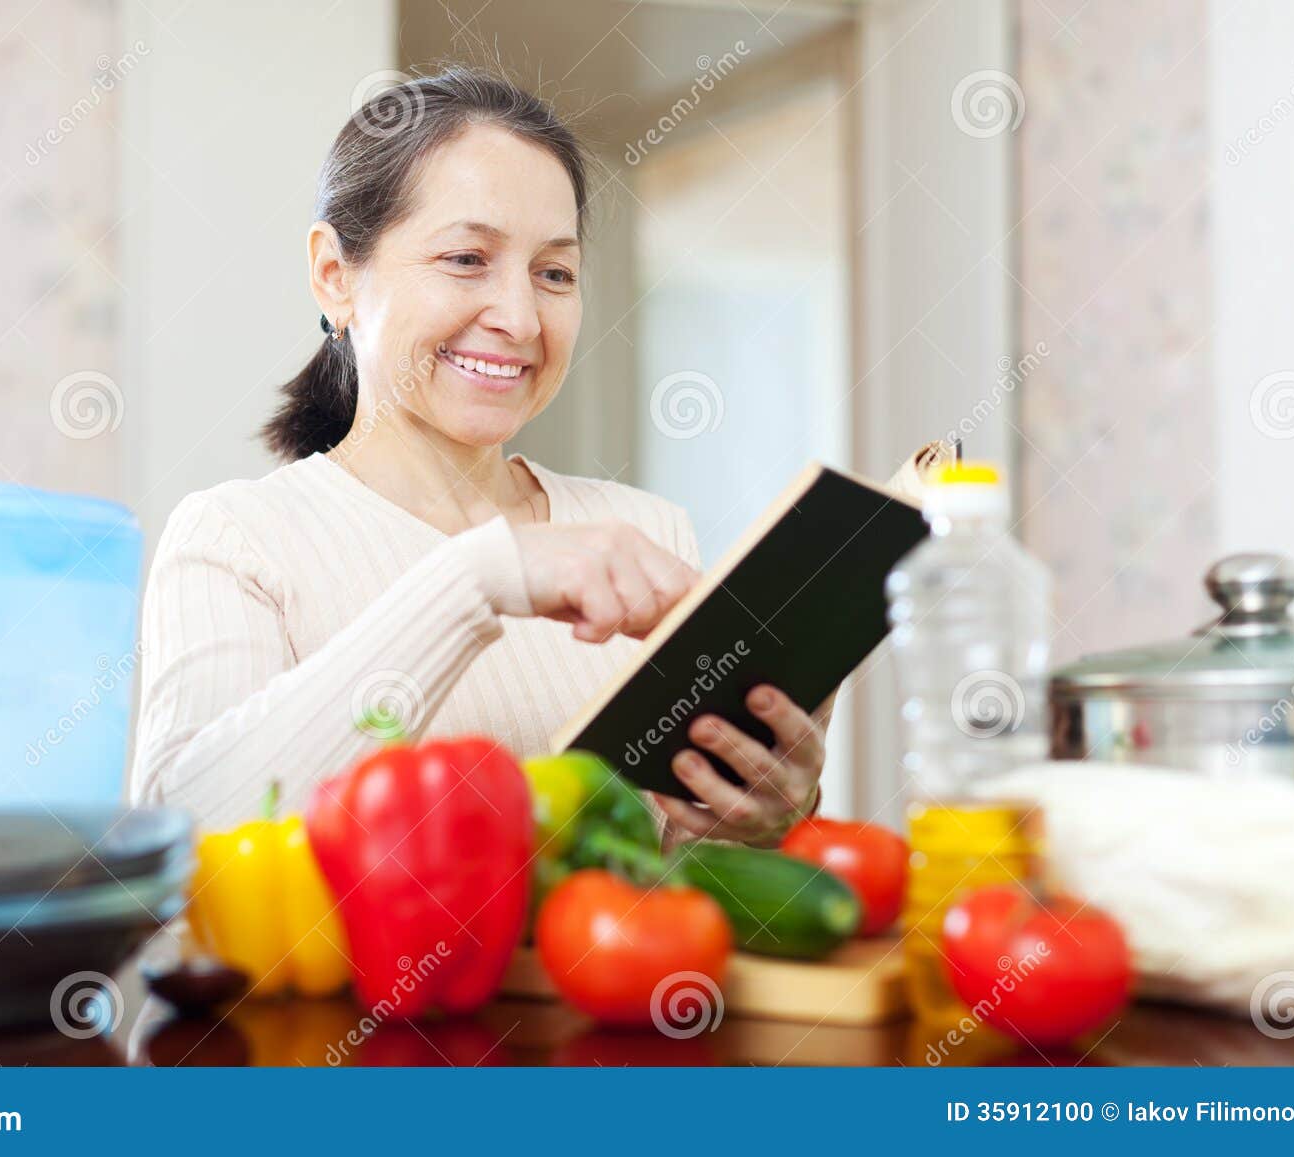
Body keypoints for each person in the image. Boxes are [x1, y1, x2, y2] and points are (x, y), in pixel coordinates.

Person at [130, 66, 944, 844]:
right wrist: (481, 578)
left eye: (554, 272)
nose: (520, 318)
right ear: (336, 275)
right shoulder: (236, 539)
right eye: (466, 259)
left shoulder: (643, 529)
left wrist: (762, 824)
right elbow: (185, 845)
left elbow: (668, 911)